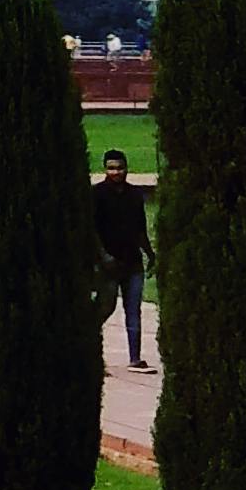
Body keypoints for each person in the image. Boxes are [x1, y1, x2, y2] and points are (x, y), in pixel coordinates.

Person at [95, 150, 152, 369]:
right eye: (111, 168)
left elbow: (140, 229)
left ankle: (135, 358)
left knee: (133, 309)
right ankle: (94, 355)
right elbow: (93, 230)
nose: (116, 172)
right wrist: (103, 256)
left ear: (126, 168)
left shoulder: (135, 195)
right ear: (105, 169)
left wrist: (150, 253)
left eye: (119, 167)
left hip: (132, 262)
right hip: (107, 263)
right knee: (104, 308)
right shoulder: (97, 195)